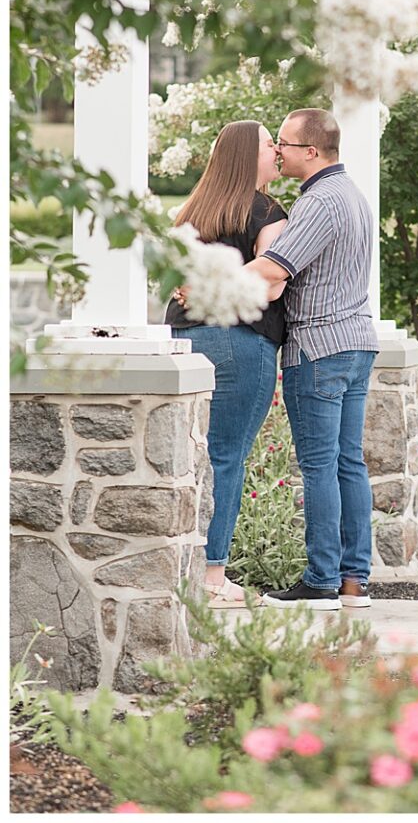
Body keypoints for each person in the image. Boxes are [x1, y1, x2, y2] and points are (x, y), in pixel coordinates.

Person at [244, 108, 379, 611]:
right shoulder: (354, 196)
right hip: (356, 341)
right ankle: (353, 583)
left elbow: (274, 267)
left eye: (284, 143)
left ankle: (321, 579)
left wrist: (204, 284)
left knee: (320, 466)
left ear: (312, 152)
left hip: (318, 348)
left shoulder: (320, 203)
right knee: (348, 464)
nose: (277, 151)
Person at [164, 120, 287, 608]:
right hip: (240, 341)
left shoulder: (190, 210)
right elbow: (274, 283)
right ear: (245, 156)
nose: (276, 149)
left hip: (185, 336)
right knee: (226, 457)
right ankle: (213, 579)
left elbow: (173, 277)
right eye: (268, 144)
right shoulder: (268, 211)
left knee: (193, 460)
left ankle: (183, 569)